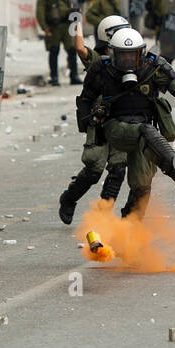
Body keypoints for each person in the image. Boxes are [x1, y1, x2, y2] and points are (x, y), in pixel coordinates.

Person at [77, 28, 175, 218]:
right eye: (123, 56)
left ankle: (129, 229)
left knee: (141, 186)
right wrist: (92, 119)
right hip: (116, 129)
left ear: (141, 53)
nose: (128, 61)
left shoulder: (154, 66)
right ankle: (173, 166)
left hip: (145, 137)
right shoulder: (102, 70)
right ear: (112, 54)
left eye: (132, 56)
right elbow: (85, 100)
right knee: (146, 130)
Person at [60, 16, 134, 224]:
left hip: (121, 121)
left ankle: (102, 213)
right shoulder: (99, 60)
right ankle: (68, 198)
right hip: (100, 121)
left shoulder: (129, 57)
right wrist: (76, 20)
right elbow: (80, 48)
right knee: (94, 169)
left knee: (118, 168)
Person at [36, 0, 81, 86]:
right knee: (54, 51)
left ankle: (74, 75)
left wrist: (76, 20)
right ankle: (54, 76)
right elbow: (40, 11)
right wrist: (44, 27)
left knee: (72, 50)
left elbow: (73, 4)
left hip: (66, 24)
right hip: (53, 26)